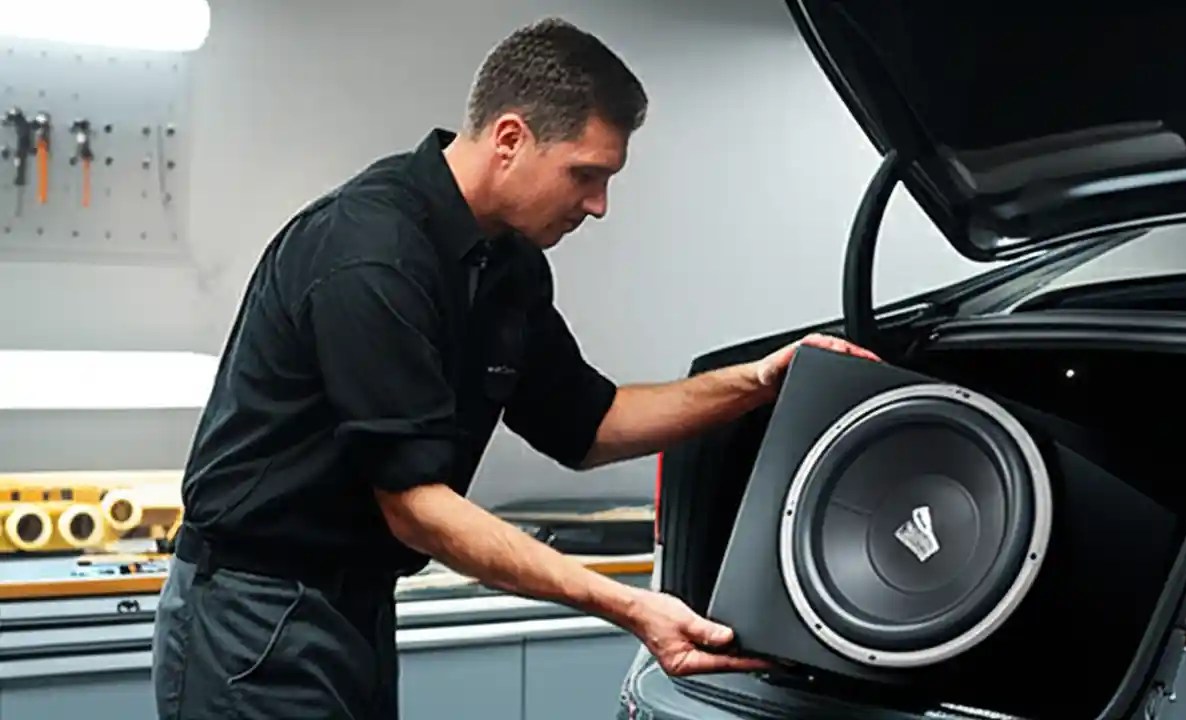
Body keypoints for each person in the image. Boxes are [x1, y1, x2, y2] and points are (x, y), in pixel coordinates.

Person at [150, 16, 878, 720]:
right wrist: (629, 606)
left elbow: (592, 424)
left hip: (354, 601)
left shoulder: (508, 268)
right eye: (586, 175)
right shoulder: (371, 254)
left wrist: (758, 383)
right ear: (509, 138)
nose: (597, 206)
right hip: (255, 610)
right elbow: (416, 509)